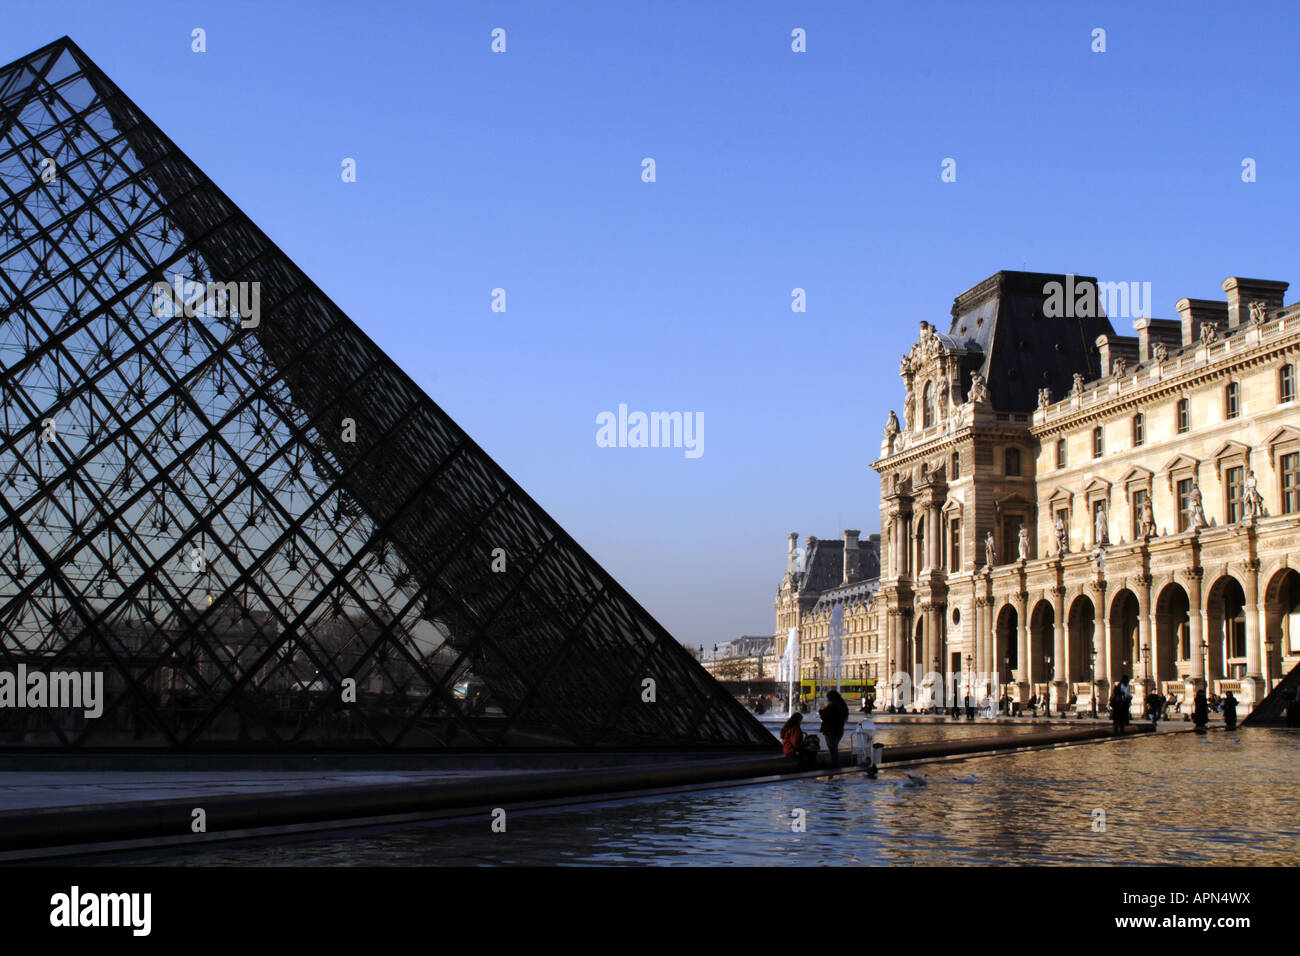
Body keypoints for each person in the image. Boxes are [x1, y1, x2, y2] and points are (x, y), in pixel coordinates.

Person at [818, 690, 849, 768]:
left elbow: (824, 717)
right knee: (834, 748)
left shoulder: (832, 706)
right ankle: (835, 764)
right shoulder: (842, 705)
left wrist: (821, 710)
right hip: (839, 730)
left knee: (832, 749)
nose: (827, 699)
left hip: (830, 731)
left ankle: (835, 765)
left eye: (828, 698)